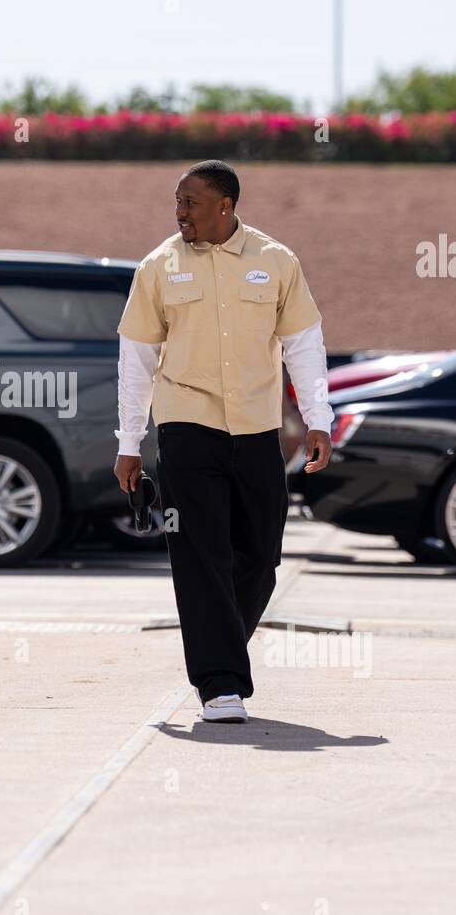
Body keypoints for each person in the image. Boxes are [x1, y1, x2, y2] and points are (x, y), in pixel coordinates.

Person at [113, 159, 333, 724]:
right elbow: (136, 362)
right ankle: (220, 683)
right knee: (199, 553)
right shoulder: (157, 267)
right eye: (177, 201)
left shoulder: (276, 261)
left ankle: (219, 644)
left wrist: (317, 417)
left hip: (258, 429)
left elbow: (304, 344)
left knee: (261, 555)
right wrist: (130, 442)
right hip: (187, 428)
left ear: (225, 207)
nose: (178, 211)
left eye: (190, 202)